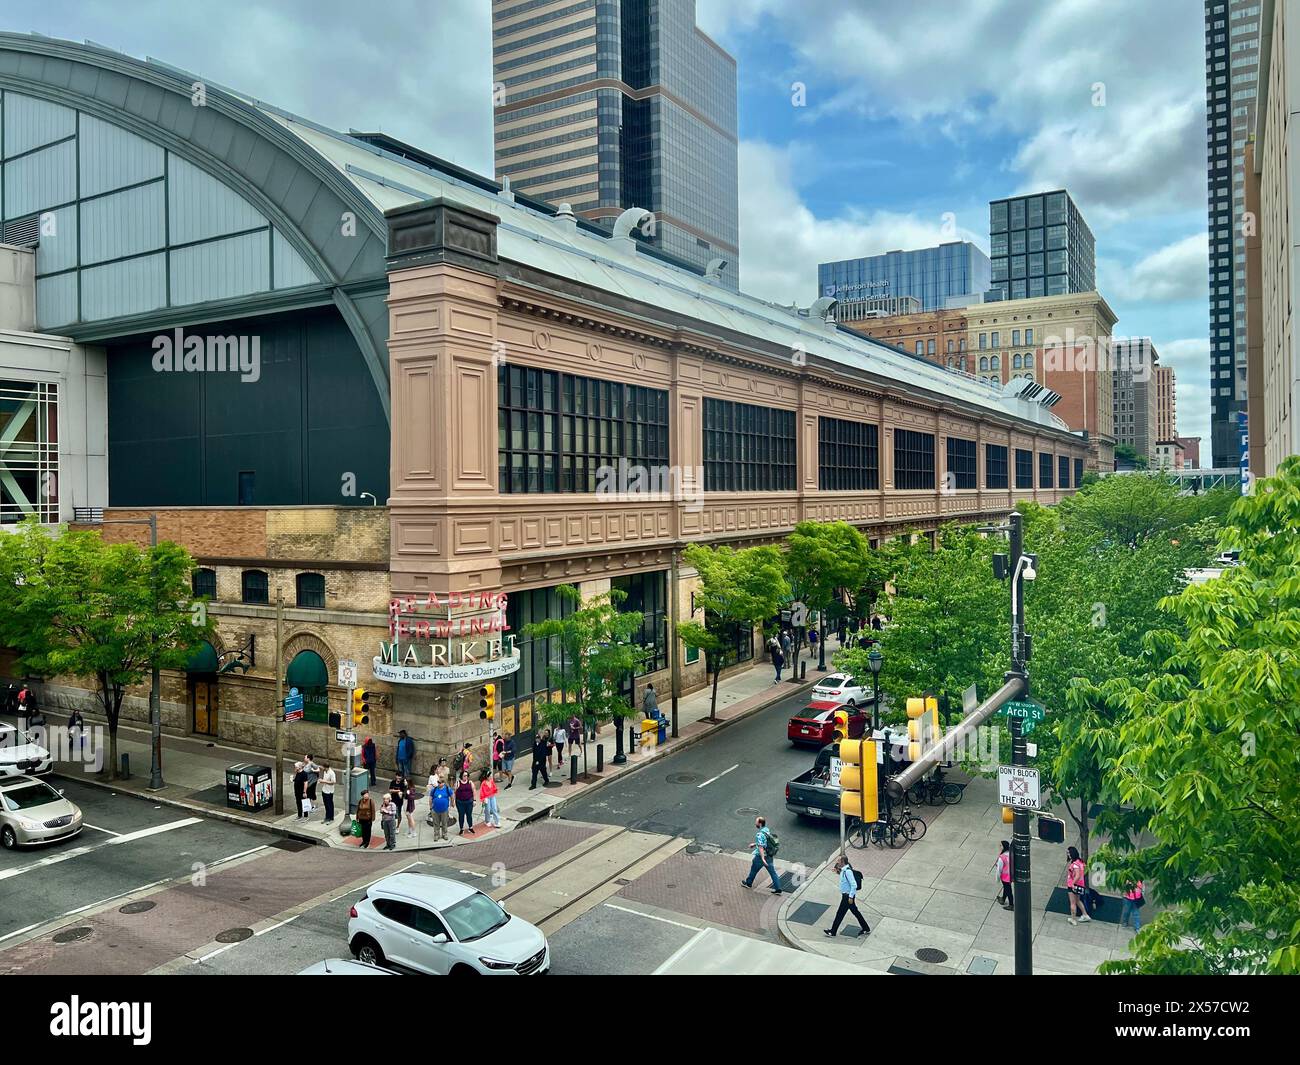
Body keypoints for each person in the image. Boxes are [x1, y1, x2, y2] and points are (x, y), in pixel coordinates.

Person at [824, 855, 870, 937]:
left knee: (840, 913)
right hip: (846, 896)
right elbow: (844, 879)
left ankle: (833, 931)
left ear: (842, 862)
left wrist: (851, 897)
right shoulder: (843, 870)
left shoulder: (848, 872)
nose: (837, 862)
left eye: (838, 861)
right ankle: (866, 928)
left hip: (847, 897)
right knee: (855, 912)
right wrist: (837, 871)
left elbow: (854, 885)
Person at [740, 815, 782, 894]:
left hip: (760, 857)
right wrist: (754, 844)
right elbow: (764, 842)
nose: (755, 823)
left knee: (754, 869)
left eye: (756, 822)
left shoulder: (759, 834)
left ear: (759, 824)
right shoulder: (766, 830)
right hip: (769, 856)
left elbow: (761, 847)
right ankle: (778, 888)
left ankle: (748, 883)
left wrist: (762, 858)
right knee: (772, 872)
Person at [1065, 846, 1092, 925]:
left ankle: (1073, 919)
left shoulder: (1075, 864)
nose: (1068, 855)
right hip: (1080, 885)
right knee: (1077, 900)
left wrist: (1072, 883)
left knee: (1072, 903)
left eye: (1068, 853)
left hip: (1073, 885)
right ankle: (1085, 914)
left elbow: (1077, 875)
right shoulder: (1080, 862)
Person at [426, 772, 452, 842]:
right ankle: (436, 835)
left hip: (444, 810)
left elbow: (452, 796)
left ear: (443, 782)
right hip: (435, 810)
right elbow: (430, 798)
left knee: (444, 823)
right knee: (436, 824)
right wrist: (431, 807)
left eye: (441, 782)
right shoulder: (434, 790)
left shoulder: (447, 789)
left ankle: (444, 834)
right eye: (438, 782)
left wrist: (452, 804)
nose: (439, 783)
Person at [995, 840, 1013, 909]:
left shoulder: (1002, 857)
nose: (999, 847)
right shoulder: (1010, 854)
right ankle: (1003, 899)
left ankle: (1011, 905)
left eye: (1000, 845)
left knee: (1008, 890)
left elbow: (999, 869)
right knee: (1006, 888)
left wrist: (997, 878)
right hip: (1010, 875)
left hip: (1005, 877)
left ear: (1003, 847)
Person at [319, 759, 336, 824]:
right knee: (326, 805)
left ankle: (331, 818)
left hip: (329, 791)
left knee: (330, 805)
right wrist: (321, 781)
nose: (322, 768)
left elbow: (333, 782)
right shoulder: (325, 771)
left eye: (323, 767)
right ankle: (327, 817)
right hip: (324, 790)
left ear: (325, 767)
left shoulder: (331, 773)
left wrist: (324, 781)